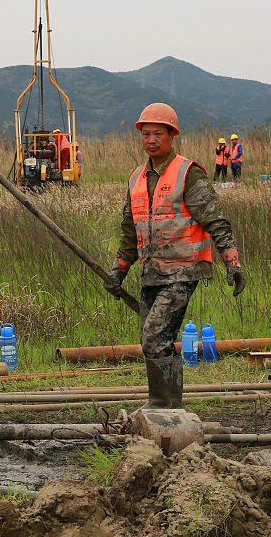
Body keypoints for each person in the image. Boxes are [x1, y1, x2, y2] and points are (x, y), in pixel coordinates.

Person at [102, 103, 245, 409]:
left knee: (155, 337)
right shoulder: (135, 178)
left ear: (171, 135)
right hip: (151, 273)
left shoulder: (188, 173)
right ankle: (163, 405)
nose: (151, 140)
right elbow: (131, 233)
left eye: (158, 134)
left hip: (184, 270)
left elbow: (215, 221)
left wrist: (233, 263)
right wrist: (118, 272)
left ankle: (167, 407)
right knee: (150, 341)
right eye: (146, 134)